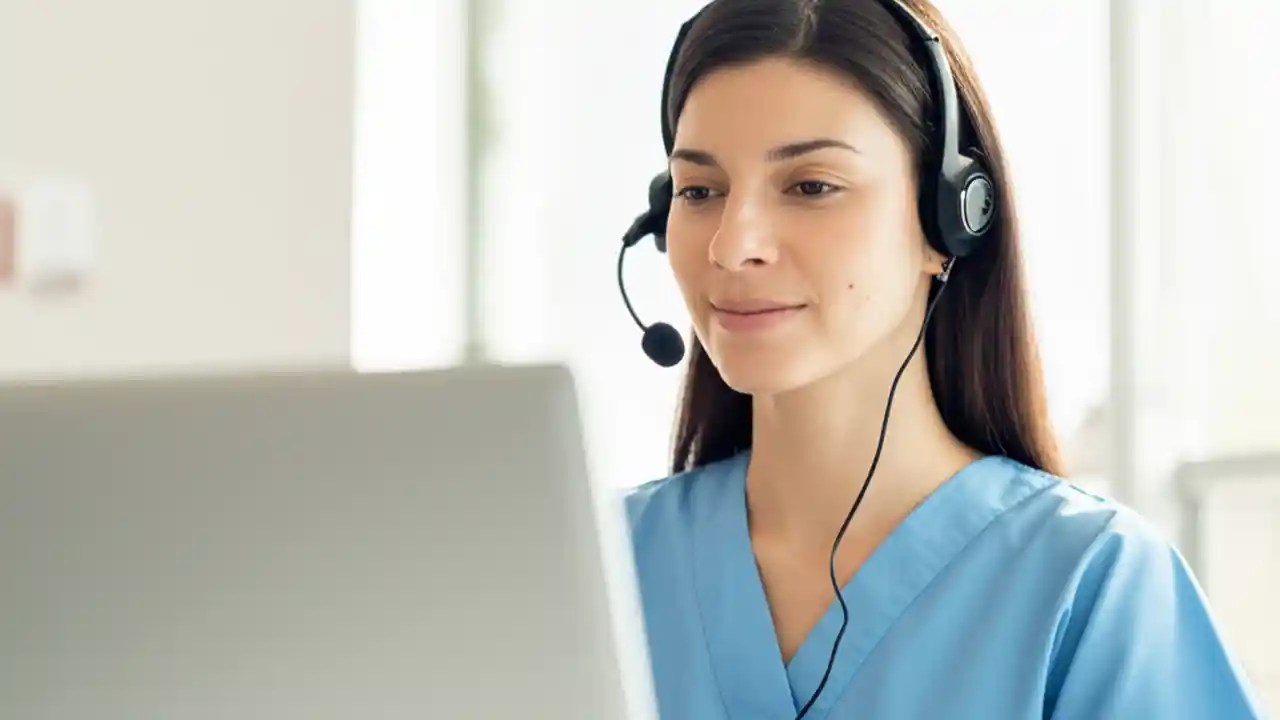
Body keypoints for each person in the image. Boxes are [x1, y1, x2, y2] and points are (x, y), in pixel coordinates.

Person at [617, 0, 1266, 717]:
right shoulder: (591, 566)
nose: (732, 245)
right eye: (700, 191)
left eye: (811, 187)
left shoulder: (1091, 583)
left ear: (947, 220)